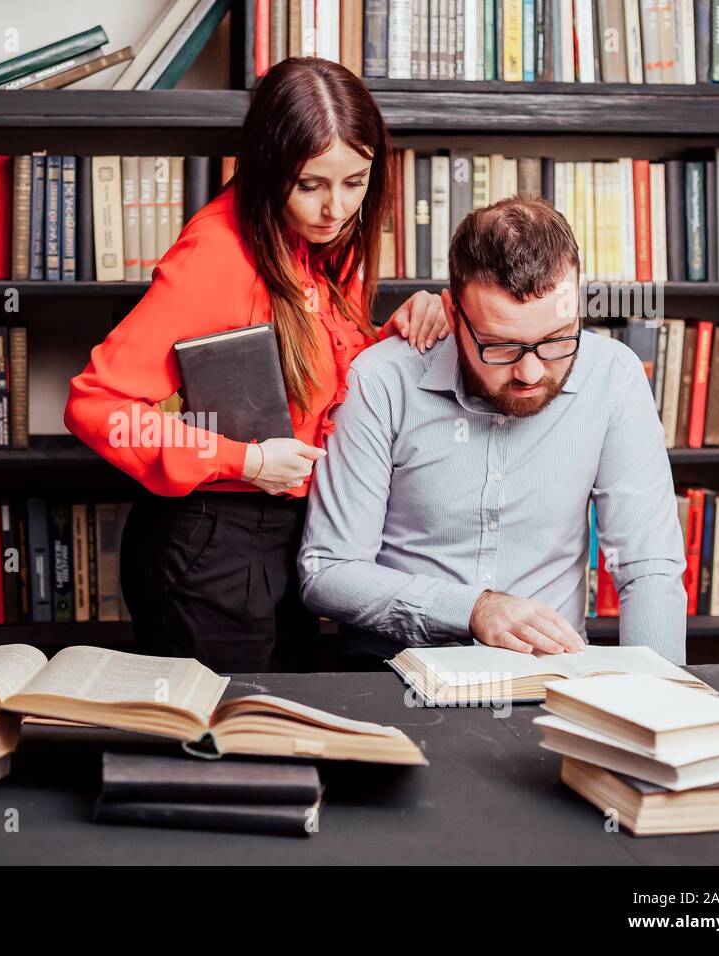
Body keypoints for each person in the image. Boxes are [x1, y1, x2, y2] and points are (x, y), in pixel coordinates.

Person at [63, 58, 448, 673]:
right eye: (311, 185)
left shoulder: (319, 244)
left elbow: (315, 380)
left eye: (356, 181)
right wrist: (243, 459)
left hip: (295, 537)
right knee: (223, 746)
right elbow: (96, 406)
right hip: (214, 543)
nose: (336, 208)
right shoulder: (217, 254)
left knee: (280, 732)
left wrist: (394, 334)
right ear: (269, 169)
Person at [298, 196, 688, 667]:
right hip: (393, 669)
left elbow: (648, 567)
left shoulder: (615, 377)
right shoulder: (382, 380)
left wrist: (661, 698)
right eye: (500, 346)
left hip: (548, 674)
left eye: (556, 341)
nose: (529, 372)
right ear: (452, 312)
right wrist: (474, 609)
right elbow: (327, 572)